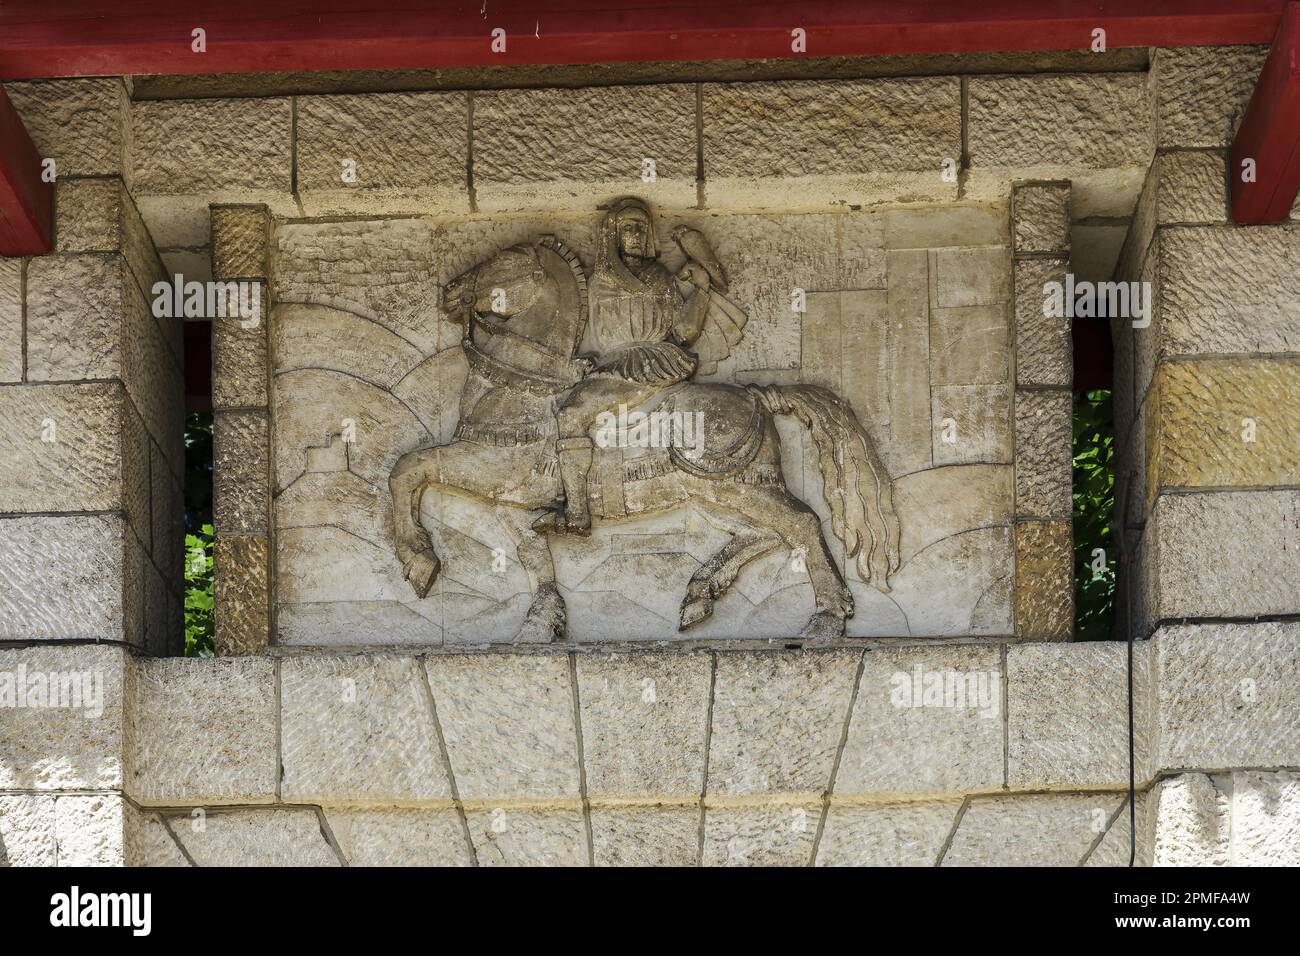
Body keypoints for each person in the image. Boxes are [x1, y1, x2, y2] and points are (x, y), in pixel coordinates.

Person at [549, 197, 713, 533]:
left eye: (641, 227)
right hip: (612, 364)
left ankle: (577, 513)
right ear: (613, 234)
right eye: (627, 228)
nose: (635, 234)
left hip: (652, 363)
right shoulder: (598, 281)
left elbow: (683, 331)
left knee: (569, 415)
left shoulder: (660, 277)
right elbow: (584, 331)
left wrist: (702, 290)